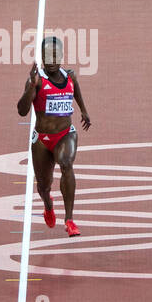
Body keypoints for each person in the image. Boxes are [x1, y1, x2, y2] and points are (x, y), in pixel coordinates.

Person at [16, 37, 92, 237]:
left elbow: (77, 93)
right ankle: (48, 205)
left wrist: (83, 111)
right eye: (47, 55)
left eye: (55, 55)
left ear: (62, 56)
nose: (52, 59)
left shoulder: (71, 76)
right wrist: (31, 88)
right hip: (42, 139)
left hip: (65, 134)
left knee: (66, 164)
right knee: (43, 186)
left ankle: (69, 219)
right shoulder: (37, 79)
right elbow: (22, 111)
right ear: (42, 57)